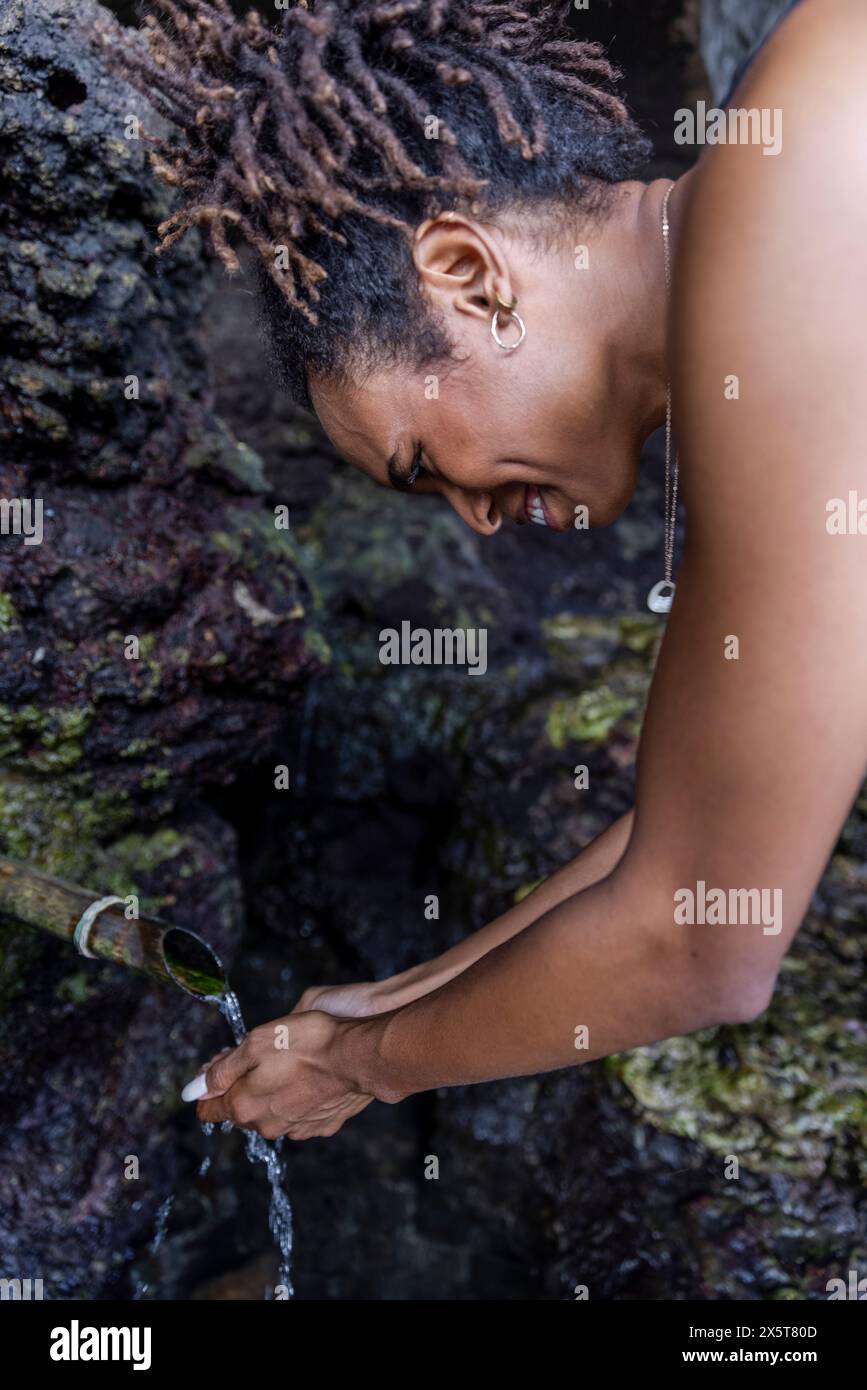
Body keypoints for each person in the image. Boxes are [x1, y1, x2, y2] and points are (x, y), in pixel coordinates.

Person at [108, 0, 867, 1141]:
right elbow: (703, 830)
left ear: (468, 274)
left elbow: (702, 942)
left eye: (426, 466)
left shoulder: (778, 224)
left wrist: (365, 1068)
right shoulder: (765, 250)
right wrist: (388, 1004)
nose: (478, 522)